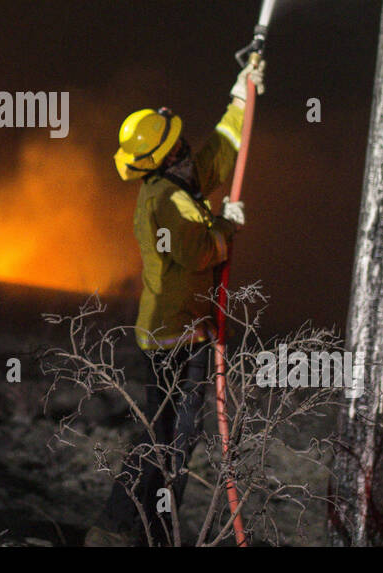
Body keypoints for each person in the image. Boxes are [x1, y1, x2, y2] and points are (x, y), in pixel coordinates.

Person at [85, 57, 265, 546]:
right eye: (175, 143)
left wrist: (240, 99)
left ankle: (147, 531)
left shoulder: (179, 181)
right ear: (163, 157)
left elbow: (220, 156)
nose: (185, 145)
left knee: (171, 441)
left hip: (186, 331)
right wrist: (227, 225)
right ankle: (124, 529)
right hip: (173, 339)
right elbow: (197, 252)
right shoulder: (165, 201)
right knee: (166, 441)